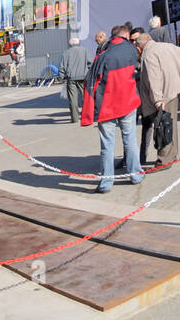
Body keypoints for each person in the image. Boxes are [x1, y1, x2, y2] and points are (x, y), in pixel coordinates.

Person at [81, 24, 145, 193]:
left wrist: (90, 109)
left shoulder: (102, 56)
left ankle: (106, 183)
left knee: (107, 145)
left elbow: (90, 82)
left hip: (107, 107)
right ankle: (135, 175)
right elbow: (137, 71)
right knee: (130, 139)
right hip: (128, 103)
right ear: (124, 36)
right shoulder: (132, 51)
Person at [134, 32, 180, 168]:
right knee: (171, 126)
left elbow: (153, 79)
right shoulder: (168, 46)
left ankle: (164, 161)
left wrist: (158, 101)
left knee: (163, 127)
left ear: (139, 47)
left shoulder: (148, 55)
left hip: (162, 96)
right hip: (173, 90)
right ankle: (172, 155)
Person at [59, 36, 91, 124]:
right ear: (79, 43)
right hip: (83, 77)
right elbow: (90, 63)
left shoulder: (66, 53)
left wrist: (62, 76)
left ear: (70, 44)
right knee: (85, 97)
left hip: (71, 78)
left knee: (73, 99)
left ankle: (74, 118)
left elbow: (62, 67)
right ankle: (86, 116)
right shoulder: (85, 50)